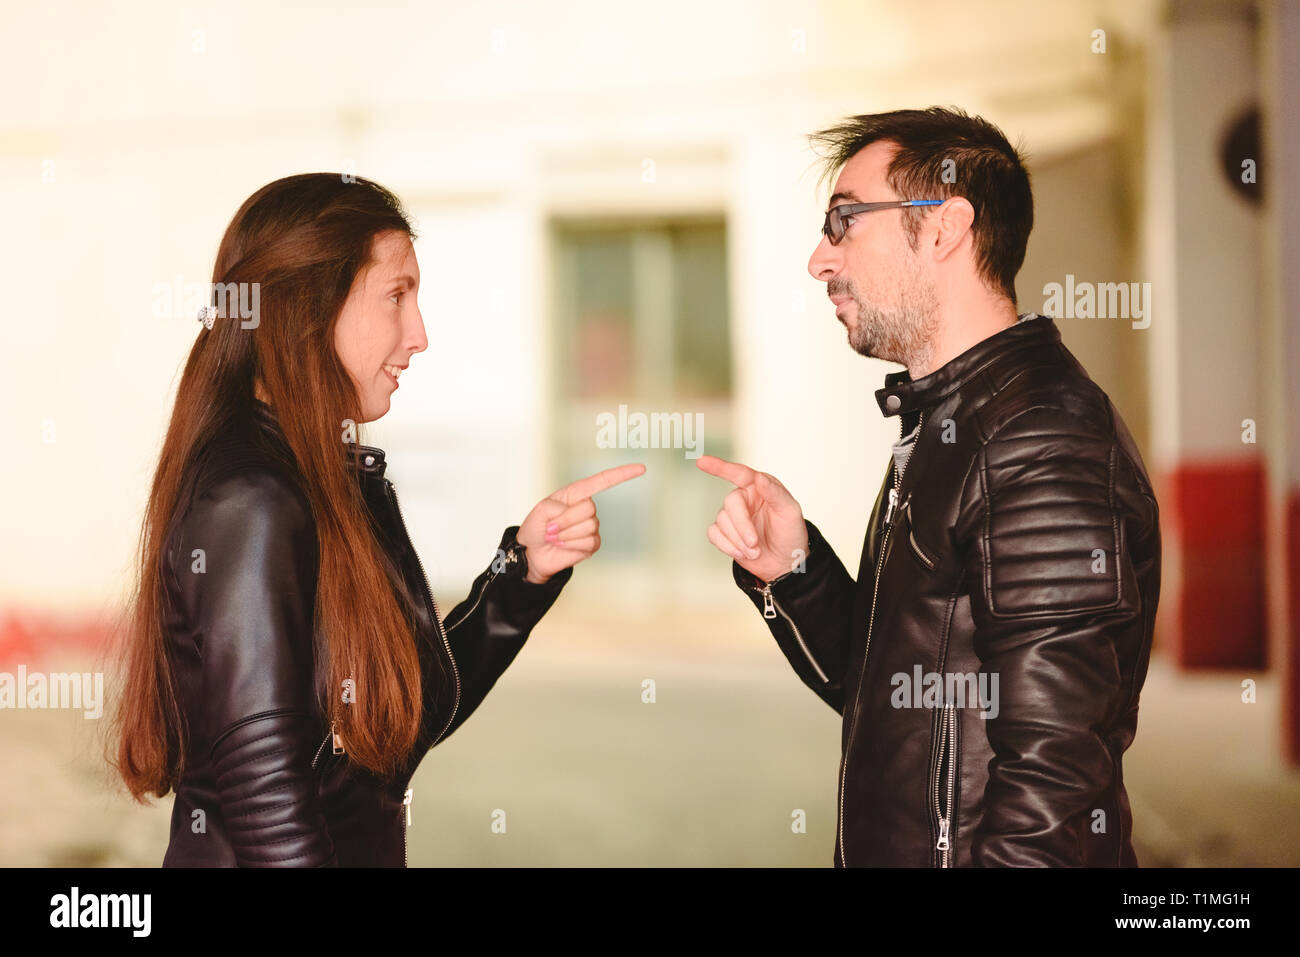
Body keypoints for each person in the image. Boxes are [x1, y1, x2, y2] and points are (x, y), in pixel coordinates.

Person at [107, 173, 643, 866]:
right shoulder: (252, 500)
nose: (419, 335)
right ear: (309, 306)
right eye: (397, 296)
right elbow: (265, 795)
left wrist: (521, 574)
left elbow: (389, 725)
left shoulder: (315, 478)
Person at [698, 107, 1161, 867]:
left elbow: (1054, 787)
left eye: (844, 221)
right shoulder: (953, 420)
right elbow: (903, 698)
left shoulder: (1038, 439)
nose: (819, 260)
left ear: (945, 227)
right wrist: (794, 570)